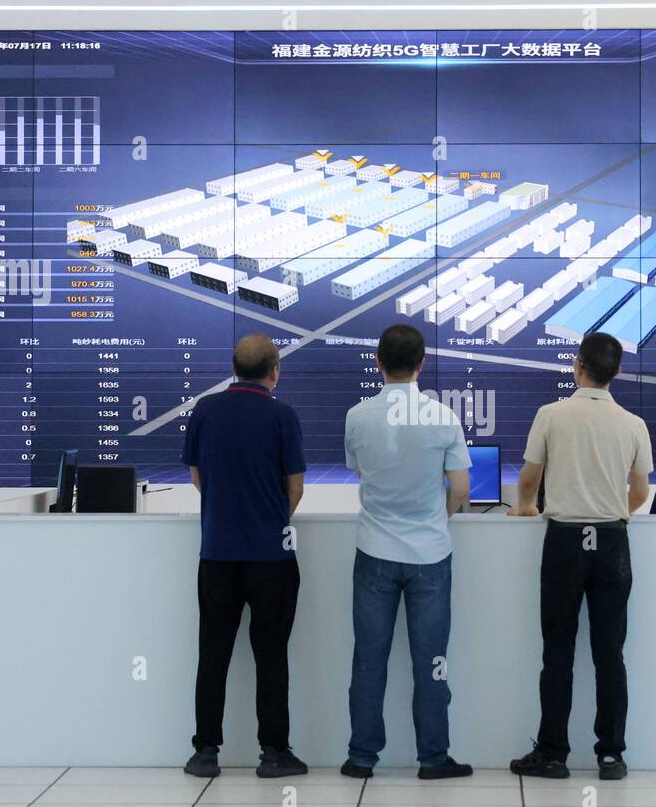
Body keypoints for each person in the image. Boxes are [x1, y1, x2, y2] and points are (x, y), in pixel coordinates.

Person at [509, 332, 653, 781]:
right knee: (610, 652)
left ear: (578, 366)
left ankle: (552, 754)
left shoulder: (551, 415)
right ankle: (611, 755)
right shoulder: (633, 423)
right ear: (617, 372)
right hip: (612, 543)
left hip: (565, 542)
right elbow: (640, 491)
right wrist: (610, 513)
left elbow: (529, 480)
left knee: (558, 650)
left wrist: (528, 508)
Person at [341, 324, 474, 780]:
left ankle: (361, 757)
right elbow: (460, 490)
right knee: (431, 660)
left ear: (377, 362)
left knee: (368, 657)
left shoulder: (357, 416)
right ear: (422, 364)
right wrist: (440, 516)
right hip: (430, 555)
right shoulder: (444, 418)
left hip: (374, 550)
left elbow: (361, 473)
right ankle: (433, 758)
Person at [181, 334, 308, 780]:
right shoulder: (282, 415)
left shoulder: (205, 410)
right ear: (275, 370)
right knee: (271, 654)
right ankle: (274, 753)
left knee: (212, 652)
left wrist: (226, 509)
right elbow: (295, 485)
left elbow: (198, 475)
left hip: (216, 553)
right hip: (271, 556)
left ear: (233, 368)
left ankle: (205, 752)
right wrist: (269, 516)